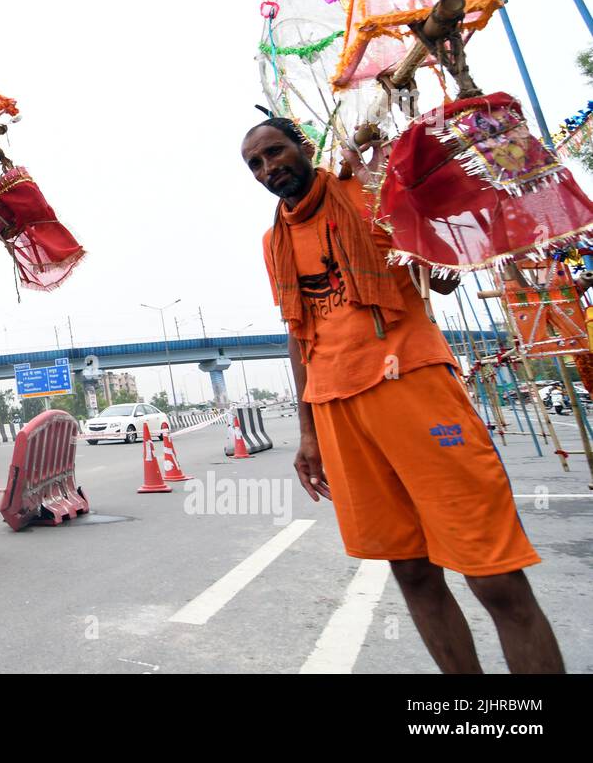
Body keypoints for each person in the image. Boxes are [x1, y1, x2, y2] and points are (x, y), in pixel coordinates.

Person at [241, 115, 564, 674]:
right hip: (336, 408)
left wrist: (417, 234)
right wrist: (307, 430)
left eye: (275, 152)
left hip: (412, 384)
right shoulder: (274, 242)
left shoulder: (366, 189)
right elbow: (298, 335)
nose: (269, 168)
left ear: (304, 146)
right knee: (411, 572)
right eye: (256, 164)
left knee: (494, 577)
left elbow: (440, 265)